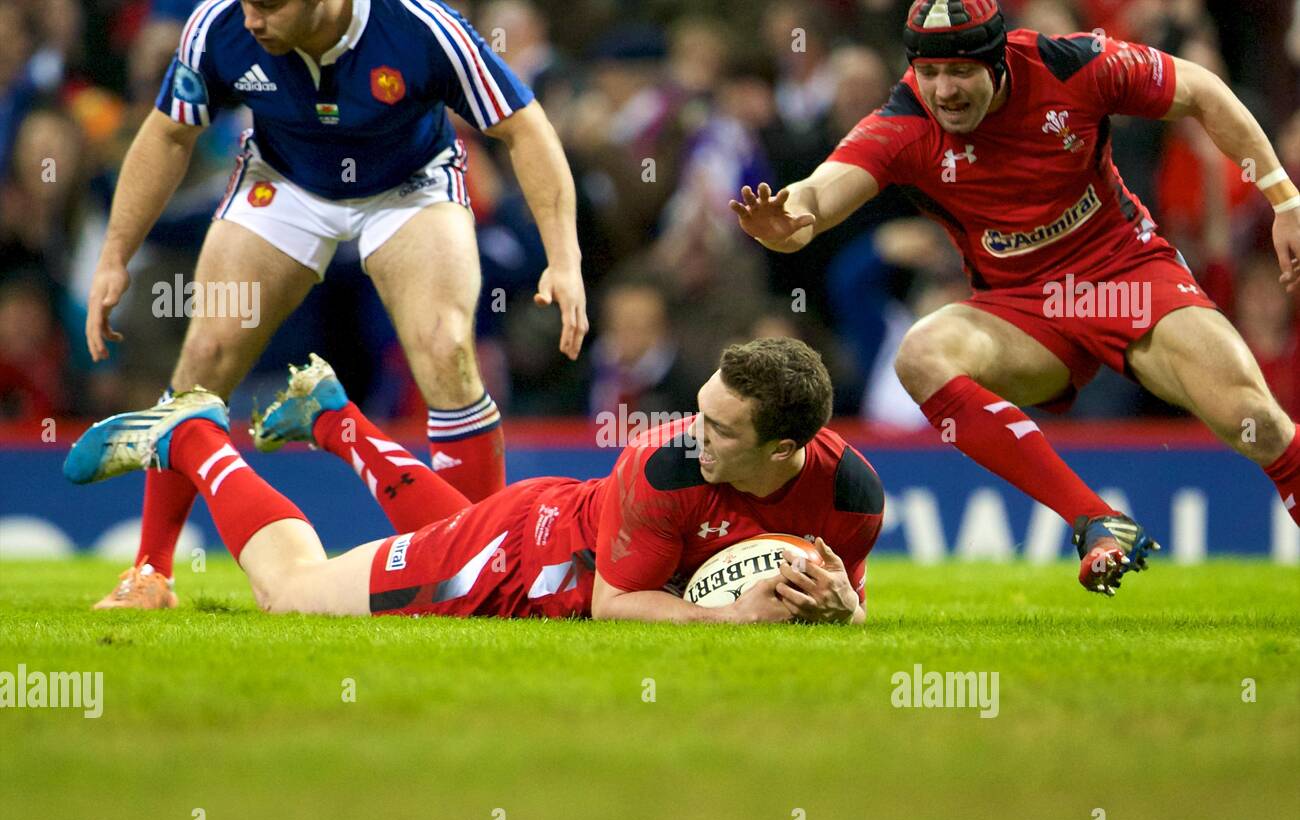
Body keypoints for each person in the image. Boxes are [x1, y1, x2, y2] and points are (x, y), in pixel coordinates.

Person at [730, 0, 1300, 595]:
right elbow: (822, 191)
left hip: (1127, 276)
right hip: (1025, 311)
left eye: (960, 72)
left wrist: (1284, 200)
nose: (944, 90)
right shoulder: (904, 123)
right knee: (920, 353)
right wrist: (790, 217)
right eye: (929, 73)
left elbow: (1203, 90)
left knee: (1256, 422)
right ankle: (1095, 520)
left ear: (998, 61)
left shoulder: (1071, 65)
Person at [83, 0, 587, 608]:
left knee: (444, 346)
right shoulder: (217, 27)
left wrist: (564, 260)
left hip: (409, 185)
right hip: (284, 182)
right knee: (206, 354)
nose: (251, 20)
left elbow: (523, 125)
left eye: (269, 5)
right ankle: (149, 573)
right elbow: (169, 132)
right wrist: (114, 255)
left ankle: (485, 567)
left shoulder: (421, 28)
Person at [64, 338, 884, 624]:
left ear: (787, 452)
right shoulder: (665, 467)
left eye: (720, 429)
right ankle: (198, 438)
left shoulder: (853, 497)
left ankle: (334, 419)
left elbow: (846, 594)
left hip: (547, 532)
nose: (690, 433)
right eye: (698, 412)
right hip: (518, 561)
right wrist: (737, 621)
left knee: (444, 523)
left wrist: (845, 610)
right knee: (291, 591)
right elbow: (616, 605)